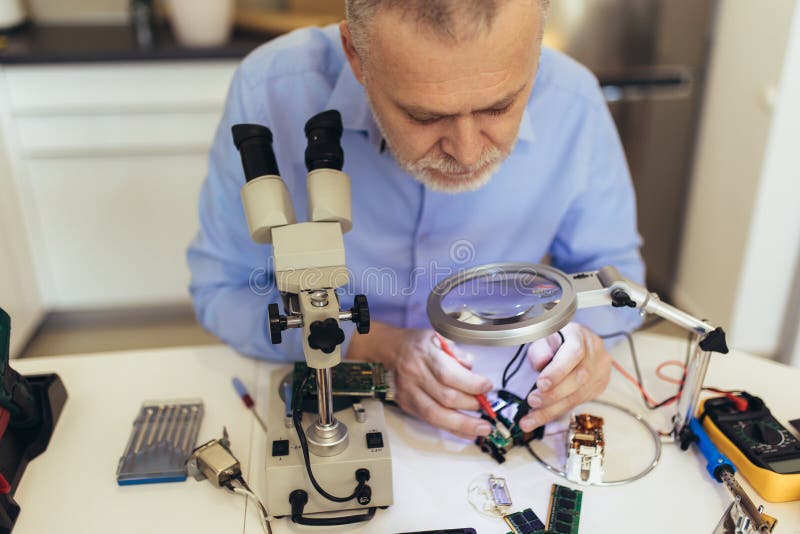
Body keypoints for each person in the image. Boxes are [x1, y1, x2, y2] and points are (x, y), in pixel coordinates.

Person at [187, 0, 644, 440]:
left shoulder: (574, 100)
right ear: (356, 56)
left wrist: (581, 339)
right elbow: (224, 288)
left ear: (537, 44)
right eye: (424, 116)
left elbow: (615, 272)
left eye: (499, 107)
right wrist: (369, 344)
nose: (466, 153)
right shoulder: (271, 90)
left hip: (503, 409)